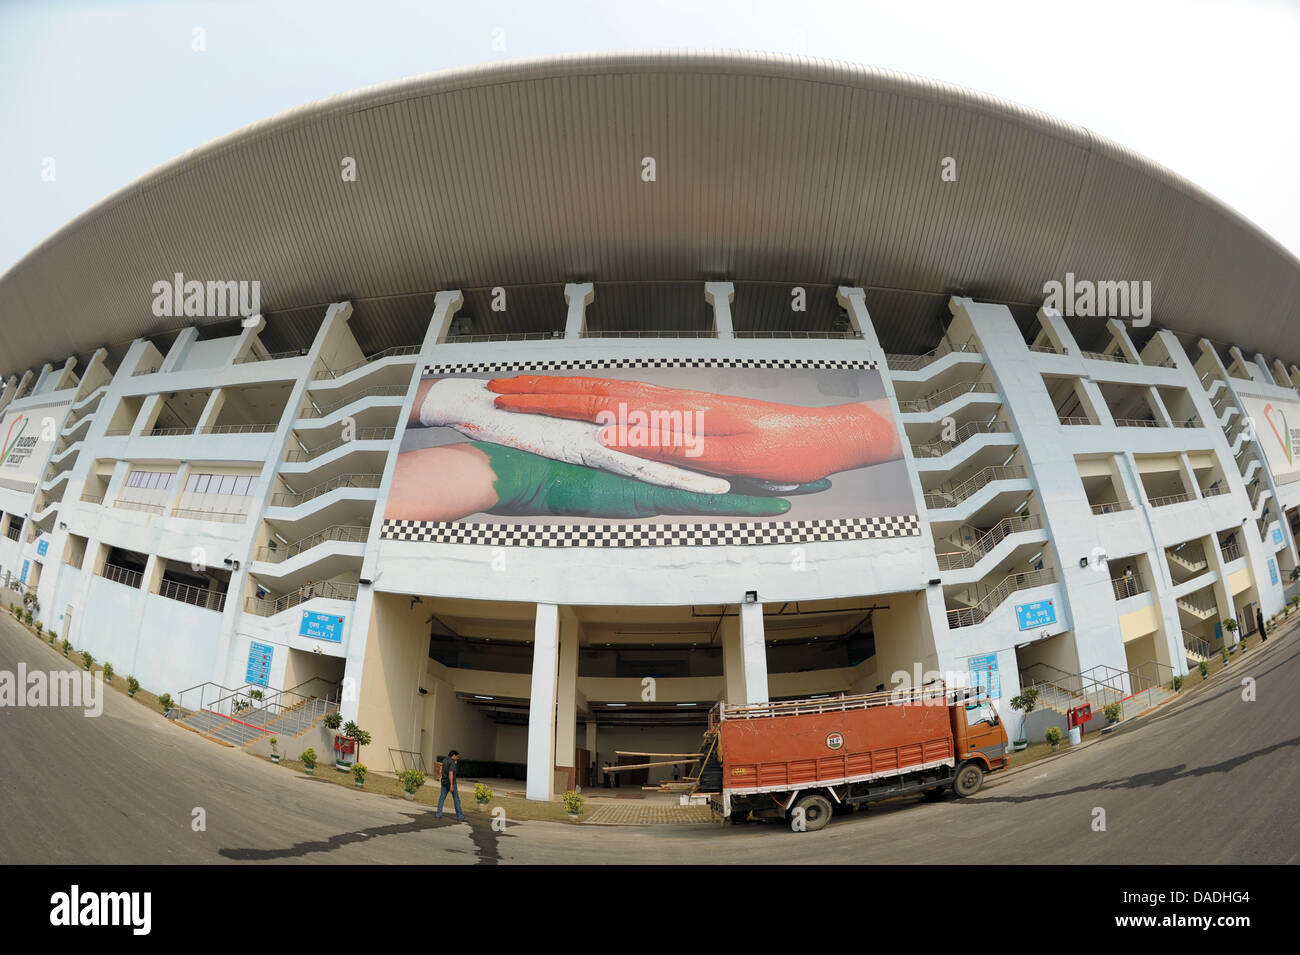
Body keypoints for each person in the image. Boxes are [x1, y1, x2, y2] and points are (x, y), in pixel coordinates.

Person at [436, 750, 464, 821]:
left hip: (444, 782)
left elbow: (442, 769)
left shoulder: (445, 760)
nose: (458, 758)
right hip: (451, 783)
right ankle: (460, 816)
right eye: (457, 757)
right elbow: (451, 773)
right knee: (456, 799)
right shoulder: (452, 762)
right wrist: (451, 784)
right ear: (453, 755)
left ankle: (438, 814)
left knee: (442, 798)